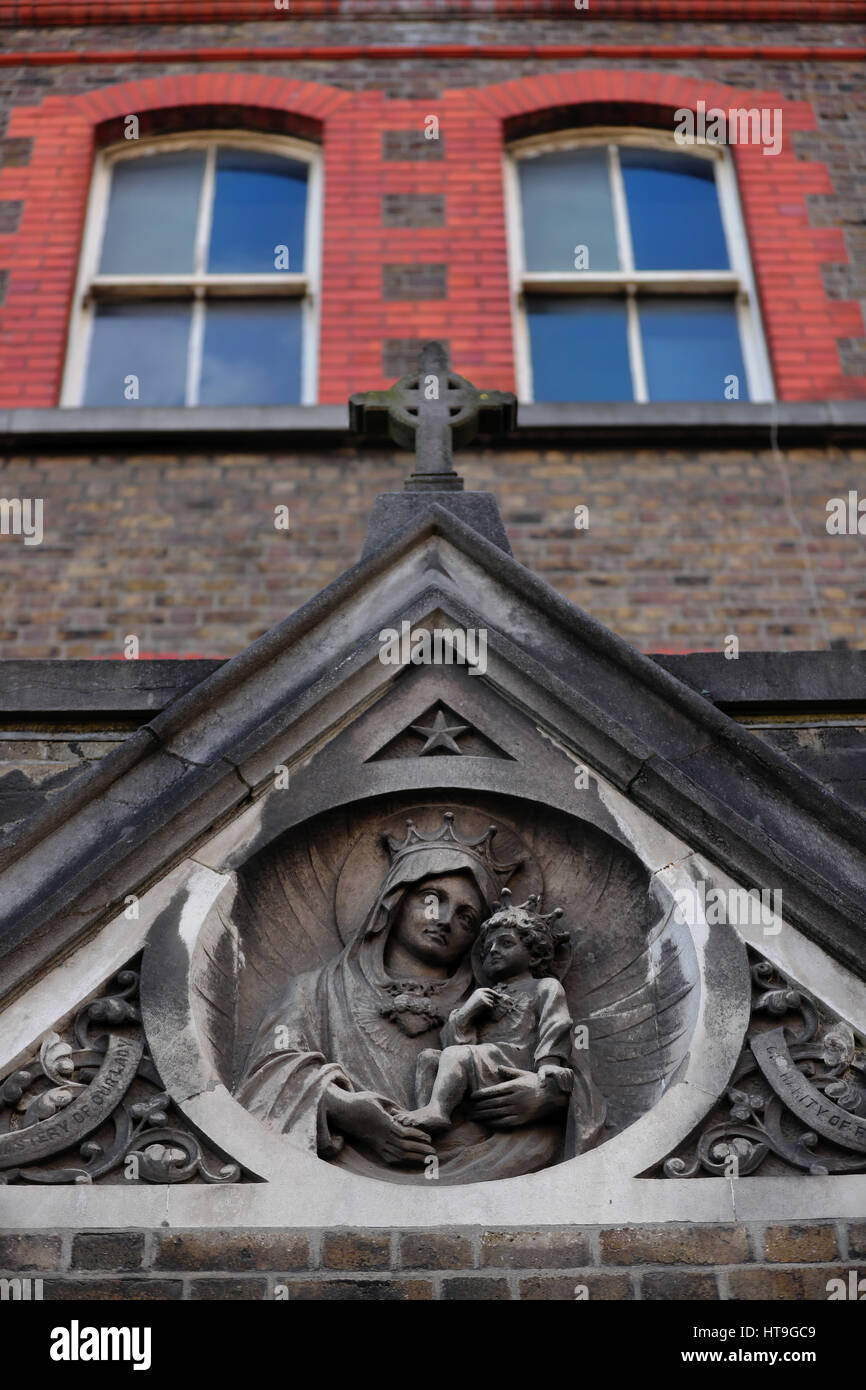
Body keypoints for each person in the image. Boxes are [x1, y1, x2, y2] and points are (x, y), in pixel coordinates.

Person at [236, 813, 604, 1183]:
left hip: (497, 1162)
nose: (443, 919)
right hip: (342, 1183)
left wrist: (547, 1097)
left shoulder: (496, 998)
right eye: (431, 900)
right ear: (393, 901)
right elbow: (265, 1085)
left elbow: (575, 1078)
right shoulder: (314, 992)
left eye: (466, 916)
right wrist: (346, 1110)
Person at [397, 894, 575, 1136]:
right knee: (429, 1057)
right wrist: (469, 1011)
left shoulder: (544, 987)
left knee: (457, 1055)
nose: (493, 950)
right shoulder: (486, 994)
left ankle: (439, 1110)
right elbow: (454, 1044)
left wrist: (548, 1065)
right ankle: (427, 1114)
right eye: (488, 947)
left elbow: (557, 1023)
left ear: (534, 955)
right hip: (484, 1060)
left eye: (505, 943)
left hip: (516, 1059)